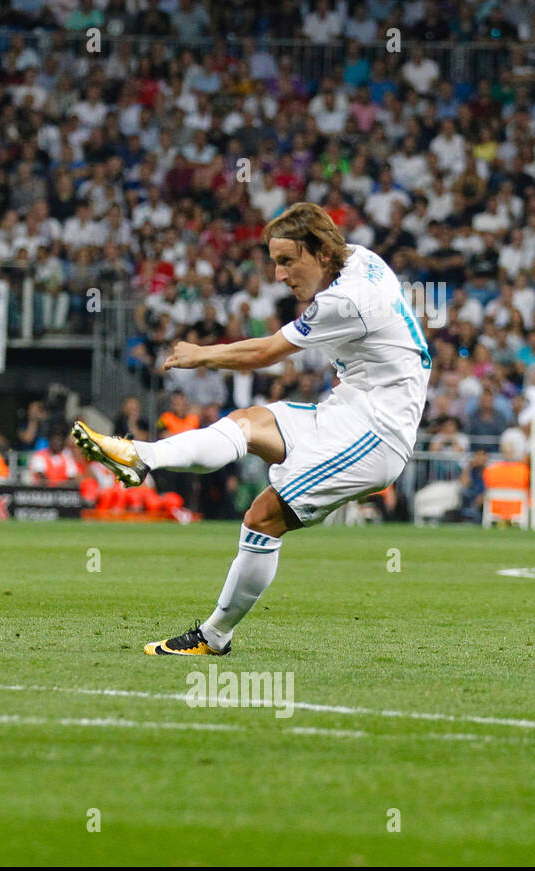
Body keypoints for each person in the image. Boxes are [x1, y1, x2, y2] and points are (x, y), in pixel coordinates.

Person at [74, 203, 431, 655]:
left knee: (262, 518)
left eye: (287, 261)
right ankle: (142, 456)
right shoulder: (360, 258)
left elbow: (265, 353)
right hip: (350, 410)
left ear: (322, 252)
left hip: (376, 434)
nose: (279, 275)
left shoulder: (345, 300)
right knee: (248, 422)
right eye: (275, 262)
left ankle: (213, 636)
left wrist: (201, 354)